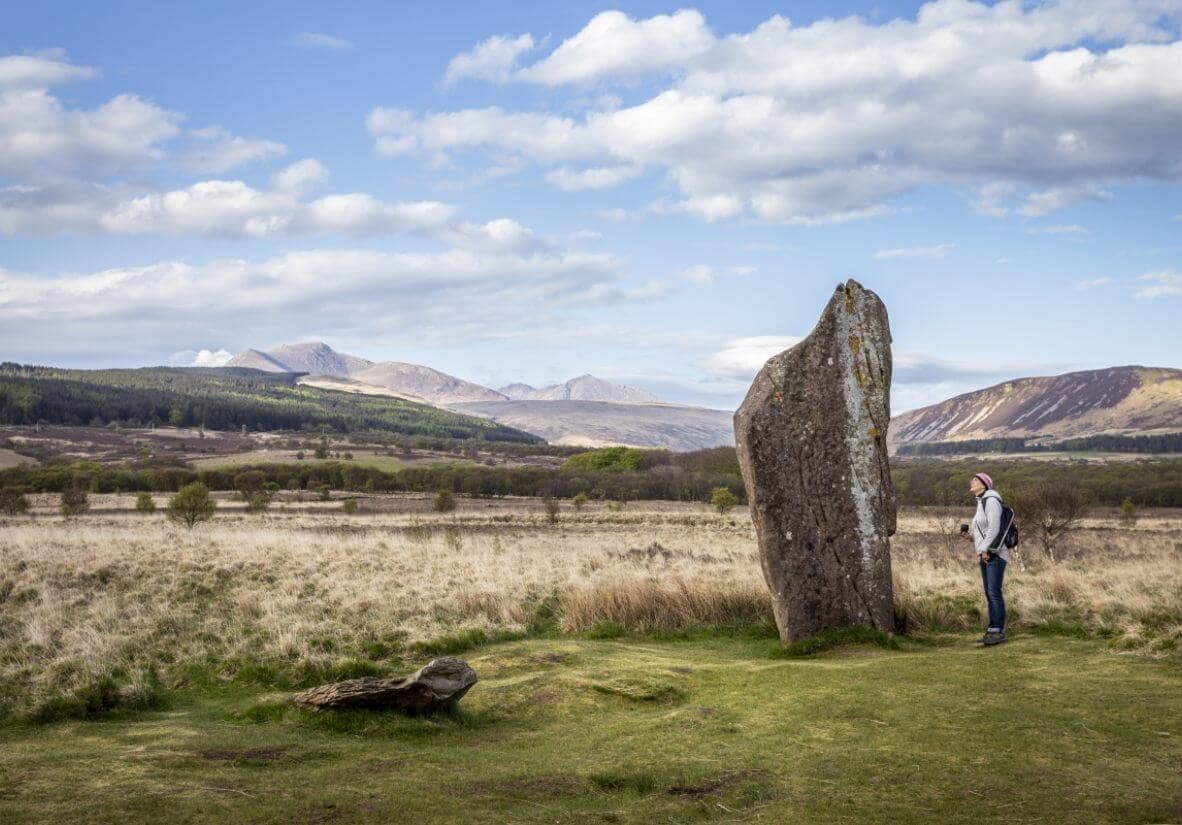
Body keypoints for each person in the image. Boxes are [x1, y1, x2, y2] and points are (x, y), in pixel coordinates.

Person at [962, 472, 1009, 645]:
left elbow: (995, 528)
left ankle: (997, 630)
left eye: (975, 480)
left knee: (994, 593)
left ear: (984, 484)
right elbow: (985, 531)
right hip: (986, 552)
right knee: (990, 593)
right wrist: (972, 538)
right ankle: (993, 629)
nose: (971, 482)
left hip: (995, 553)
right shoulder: (982, 502)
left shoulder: (992, 500)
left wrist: (986, 549)